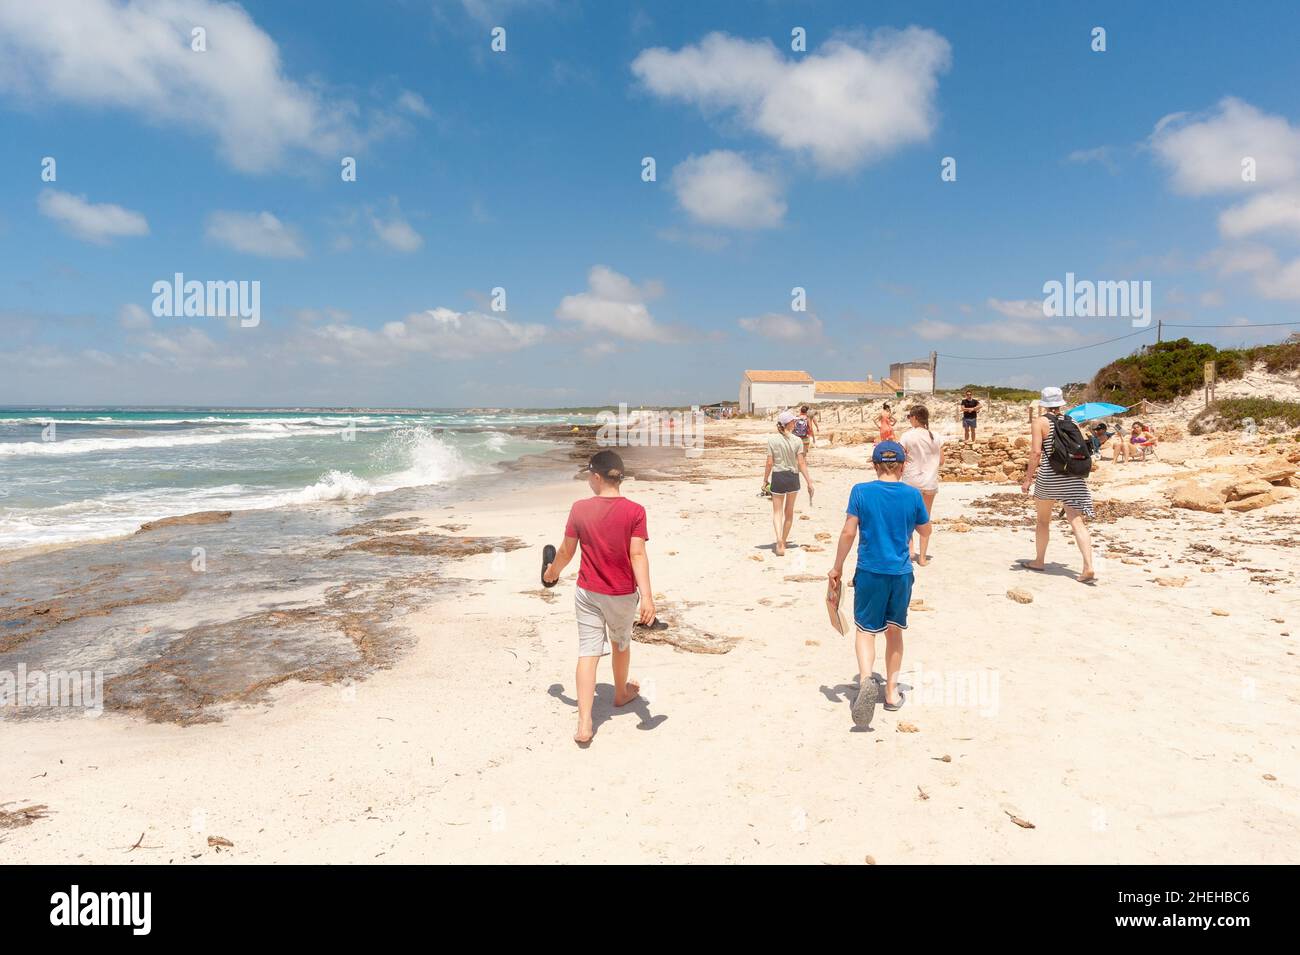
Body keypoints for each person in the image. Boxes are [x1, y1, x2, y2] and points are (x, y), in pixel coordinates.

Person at [542, 449, 654, 746]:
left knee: (588, 652)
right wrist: (648, 598)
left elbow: (566, 551)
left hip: (588, 592)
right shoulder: (635, 510)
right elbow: (637, 554)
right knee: (620, 643)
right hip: (622, 593)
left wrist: (552, 572)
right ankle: (620, 693)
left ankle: (584, 723)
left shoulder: (580, 508)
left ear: (595, 477)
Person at [829, 441, 931, 726]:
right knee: (895, 631)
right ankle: (890, 693)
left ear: (874, 465)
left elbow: (849, 532)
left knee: (866, 630)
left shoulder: (861, 491)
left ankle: (865, 679)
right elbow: (925, 529)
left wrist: (837, 567)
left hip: (870, 571)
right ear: (902, 465)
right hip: (899, 573)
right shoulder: (913, 495)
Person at [1020, 386, 1096, 583]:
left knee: (1043, 521)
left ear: (1043, 404)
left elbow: (1036, 452)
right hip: (1073, 475)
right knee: (1076, 520)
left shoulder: (1040, 422)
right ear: (1061, 403)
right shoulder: (1072, 421)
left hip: (1050, 475)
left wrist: (1028, 479)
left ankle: (1039, 561)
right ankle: (1088, 565)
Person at [763, 410, 814, 556]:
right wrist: (809, 481)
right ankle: (783, 542)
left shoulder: (772, 440)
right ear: (789, 423)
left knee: (777, 512)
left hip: (778, 476)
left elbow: (769, 463)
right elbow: (801, 463)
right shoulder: (797, 440)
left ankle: (779, 539)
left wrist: (765, 479)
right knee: (789, 512)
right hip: (792, 477)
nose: (795, 422)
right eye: (793, 421)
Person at [899, 405, 943, 565]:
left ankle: (910, 553)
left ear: (915, 418)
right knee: (925, 519)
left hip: (911, 481)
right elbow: (942, 460)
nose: (909, 419)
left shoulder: (907, 436)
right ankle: (923, 558)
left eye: (909, 416)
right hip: (930, 482)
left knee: (908, 518)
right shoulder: (936, 436)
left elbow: (900, 458)